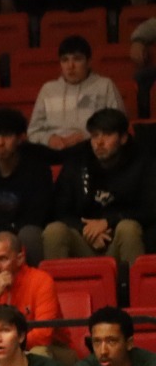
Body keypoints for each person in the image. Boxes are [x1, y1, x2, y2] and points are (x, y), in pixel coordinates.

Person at [43, 108, 149, 263]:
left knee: (128, 228)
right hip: (84, 240)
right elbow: (59, 211)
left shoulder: (141, 162)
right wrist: (86, 230)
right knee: (54, 231)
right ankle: (59, 287)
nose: (99, 142)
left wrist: (108, 222)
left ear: (124, 138)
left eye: (107, 135)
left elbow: (150, 209)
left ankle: (137, 286)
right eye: (95, 135)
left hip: (119, 238)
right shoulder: (76, 162)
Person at [0, 110, 55, 261]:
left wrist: (7, 233)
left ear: (20, 138)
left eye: (7, 136)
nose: (0, 142)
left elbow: (37, 217)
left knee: (30, 234)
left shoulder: (38, 171)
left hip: (24, 233)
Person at [0, 232, 68, 360]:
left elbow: (44, 334)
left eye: (3, 259)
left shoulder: (41, 281)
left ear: (20, 259)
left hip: (51, 349)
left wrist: (8, 346)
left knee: (39, 352)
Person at [30, 36, 126, 159]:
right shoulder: (48, 89)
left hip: (90, 148)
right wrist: (49, 139)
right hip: (53, 150)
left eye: (77, 59)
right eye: (65, 60)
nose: (70, 66)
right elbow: (33, 131)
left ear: (89, 61)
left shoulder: (104, 85)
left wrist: (86, 135)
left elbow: (118, 124)